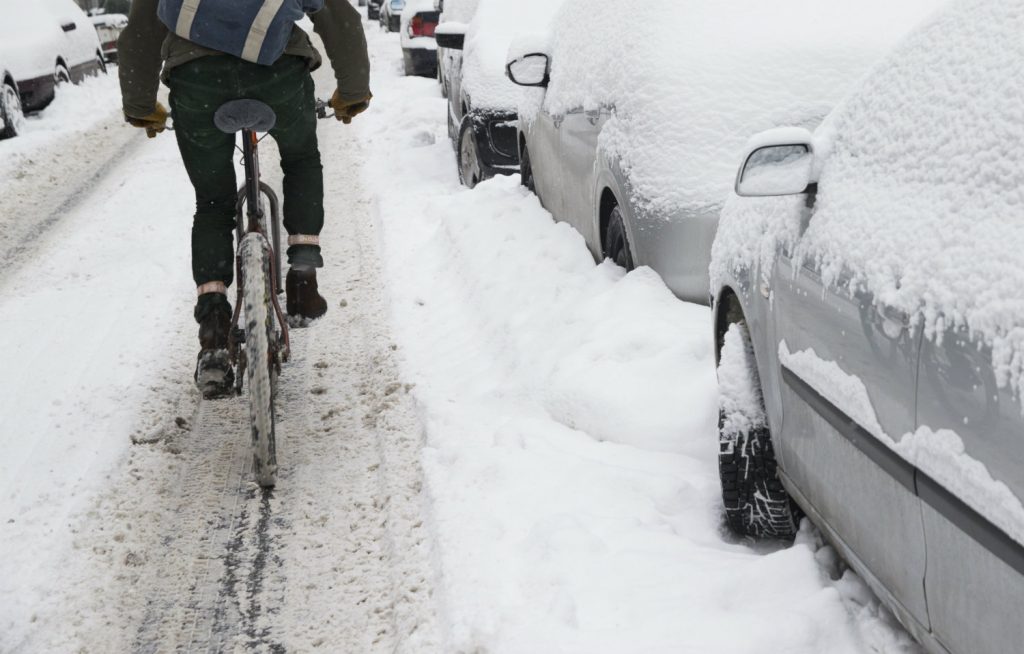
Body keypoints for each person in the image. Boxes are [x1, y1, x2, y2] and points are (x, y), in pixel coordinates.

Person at [117, 0, 371, 399]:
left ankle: (214, 327)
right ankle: (303, 276)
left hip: (197, 81)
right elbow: (338, 16)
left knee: (213, 203)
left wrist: (140, 104)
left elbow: (142, 31)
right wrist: (353, 89)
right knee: (302, 159)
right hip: (278, 74)